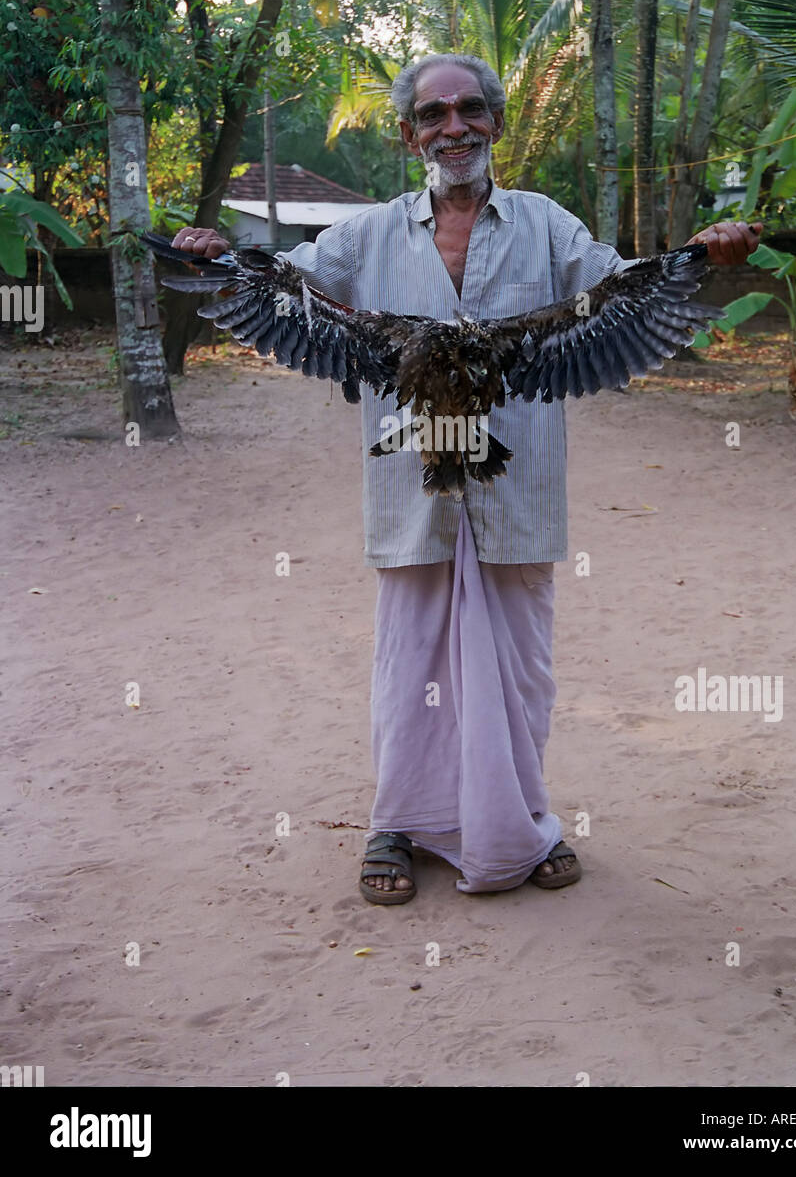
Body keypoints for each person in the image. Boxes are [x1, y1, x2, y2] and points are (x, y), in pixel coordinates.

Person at [174, 52, 762, 903]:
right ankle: (397, 825)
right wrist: (212, 259)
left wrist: (704, 260)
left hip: (515, 489)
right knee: (409, 665)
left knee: (519, 668)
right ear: (410, 133)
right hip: (411, 488)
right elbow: (280, 287)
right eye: (434, 114)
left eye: (470, 109)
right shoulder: (368, 235)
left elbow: (627, 290)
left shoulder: (546, 225)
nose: (454, 126)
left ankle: (520, 820)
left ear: (493, 120)